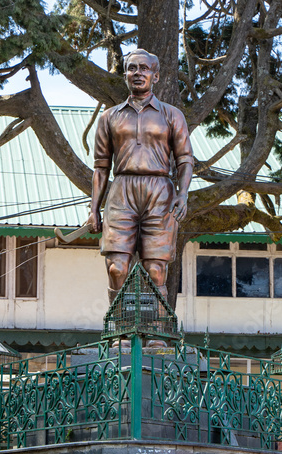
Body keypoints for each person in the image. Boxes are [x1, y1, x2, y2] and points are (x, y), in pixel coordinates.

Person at [88, 48, 194, 304]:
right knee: (116, 268)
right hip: (121, 191)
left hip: (160, 193)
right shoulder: (109, 117)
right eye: (132, 68)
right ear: (125, 75)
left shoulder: (172, 115)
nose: (138, 73)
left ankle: (158, 331)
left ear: (155, 76)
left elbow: (185, 159)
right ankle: (119, 331)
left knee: (156, 270)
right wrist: (94, 208)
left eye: (144, 68)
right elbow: (101, 166)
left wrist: (182, 194)